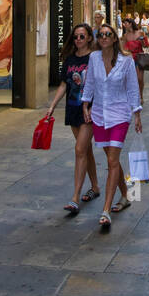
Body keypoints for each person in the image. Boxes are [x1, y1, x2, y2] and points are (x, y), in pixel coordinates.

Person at [82, 23, 143, 232]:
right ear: (98, 39)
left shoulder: (126, 61)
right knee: (112, 159)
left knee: (111, 161)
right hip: (99, 115)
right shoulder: (93, 58)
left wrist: (137, 113)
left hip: (119, 115)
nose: (104, 37)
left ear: (115, 38)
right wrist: (85, 105)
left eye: (108, 34)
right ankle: (125, 195)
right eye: (101, 35)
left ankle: (106, 210)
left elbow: (133, 88)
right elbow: (89, 83)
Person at [44, 24, 100, 215]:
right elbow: (64, 84)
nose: (78, 40)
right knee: (86, 149)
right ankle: (95, 186)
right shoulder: (69, 60)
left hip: (89, 111)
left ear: (89, 38)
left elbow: (100, 84)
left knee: (79, 150)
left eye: (82, 37)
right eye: (75, 37)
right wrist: (52, 106)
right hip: (73, 108)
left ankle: (75, 197)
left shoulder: (95, 58)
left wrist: (94, 106)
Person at [122, 16, 149, 99]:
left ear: (130, 24)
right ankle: (133, 96)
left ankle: (140, 95)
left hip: (139, 57)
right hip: (129, 59)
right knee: (129, 80)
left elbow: (146, 45)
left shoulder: (140, 32)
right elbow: (123, 48)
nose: (124, 25)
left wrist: (142, 42)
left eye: (125, 23)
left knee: (140, 79)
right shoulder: (125, 35)